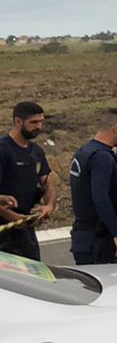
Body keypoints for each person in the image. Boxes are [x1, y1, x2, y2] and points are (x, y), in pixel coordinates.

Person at [69, 110, 117, 265]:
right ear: (116, 128)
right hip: (98, 238)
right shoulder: (102, 157)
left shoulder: (84, 152)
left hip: (84, 234)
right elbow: (100, 197)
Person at [0, 101, 56, 260]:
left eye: (41, 122)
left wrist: (49, 205)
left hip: (25, 229)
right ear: (18, 122)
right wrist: (13, 217)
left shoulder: (36, 152)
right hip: (4, 230)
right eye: (34, 122)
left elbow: (47, 182)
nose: (39, 126)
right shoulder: (3, 150)